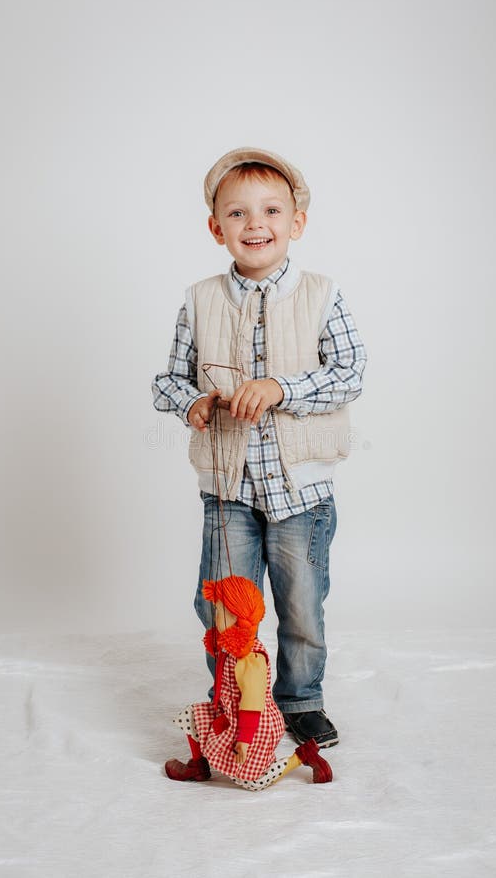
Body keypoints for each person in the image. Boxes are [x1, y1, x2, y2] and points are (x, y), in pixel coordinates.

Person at [152, 147, 367, 748]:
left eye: (272, 211)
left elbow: (349, 373)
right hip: (228, 489)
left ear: (297, 222)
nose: (255, 224)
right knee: (224, 605)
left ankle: (300, 700)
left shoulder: (322, 295)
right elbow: (167, 381)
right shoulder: (199, 300)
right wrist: (192, 402)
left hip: (303, 490)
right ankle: (233, 700)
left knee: (301, 605)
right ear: (216, 227)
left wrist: (280, 388)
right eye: (237, 213)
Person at [165, 575, 332, 790]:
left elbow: (252, 703)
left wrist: (244, 740)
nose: (215, 616)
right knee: (193, 715)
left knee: (253, 780)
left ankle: (301, 757)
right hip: (231, 712)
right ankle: (198, 766)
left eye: (218, 611)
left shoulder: (249, 659)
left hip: (254, 724)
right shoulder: (232, 648)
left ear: (235, 615)